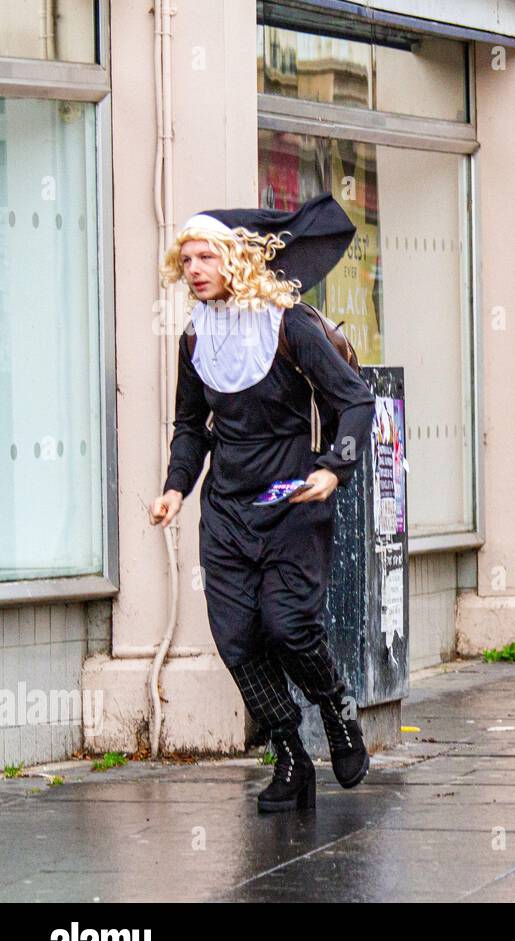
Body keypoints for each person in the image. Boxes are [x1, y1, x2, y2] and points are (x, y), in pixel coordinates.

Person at [149, 193, 375, 813]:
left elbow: (355, 400)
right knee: (238, 639)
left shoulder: (288, 324)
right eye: (186, 259)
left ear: (236, 260)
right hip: (226, 508)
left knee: (288, 626)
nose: (194, 269)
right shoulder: (196, 338)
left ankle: (337, 708)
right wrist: (175, 488)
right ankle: (289, 757)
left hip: (294, 497)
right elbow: (192, 427)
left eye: (206, 257)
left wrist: (335, 468)